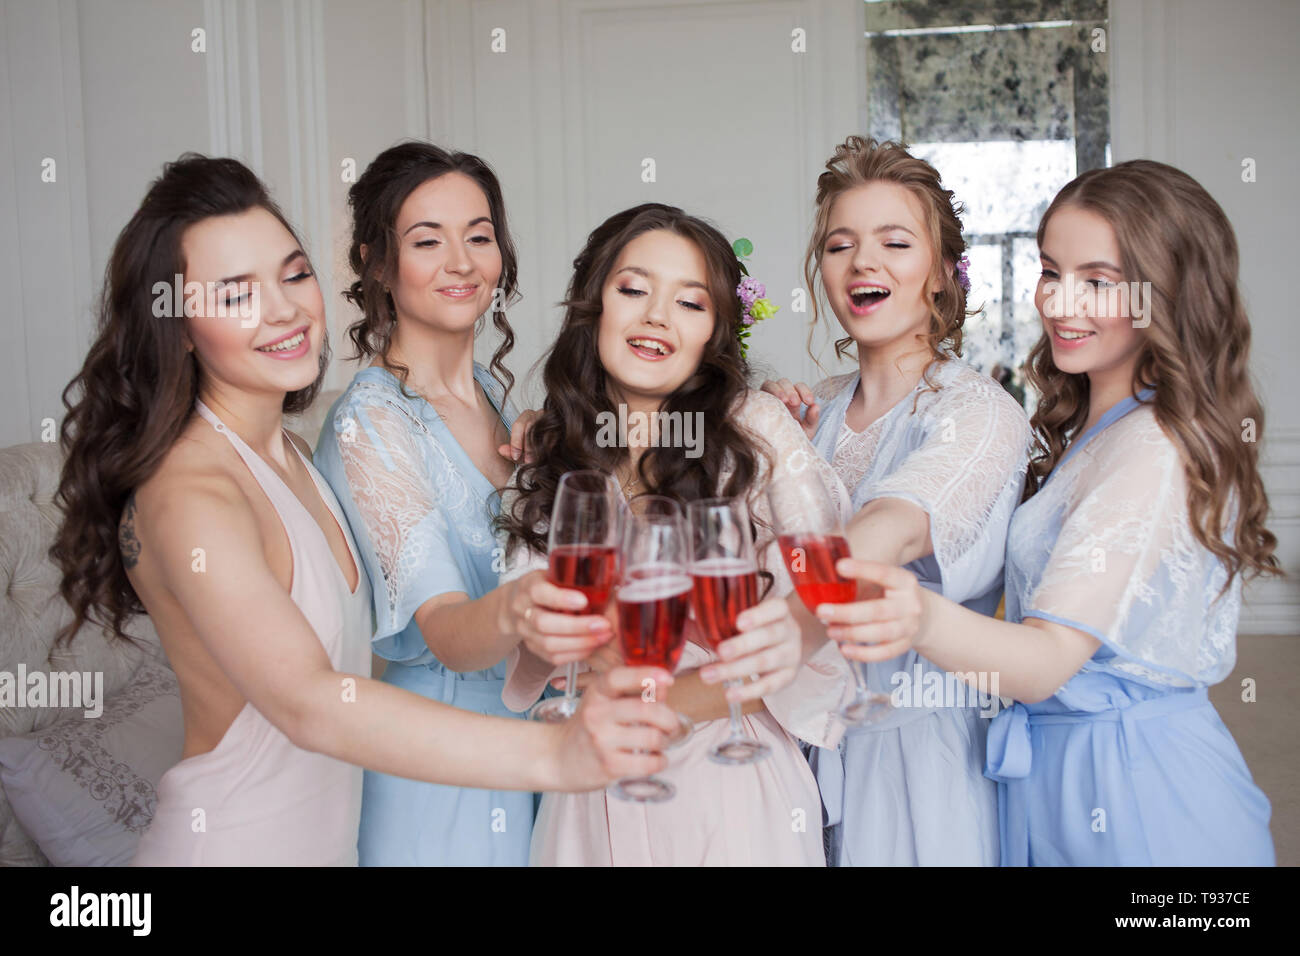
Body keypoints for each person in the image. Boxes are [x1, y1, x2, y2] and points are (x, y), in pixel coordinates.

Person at [50, 153, 680, 866]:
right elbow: (308, 701)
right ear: (176, 322)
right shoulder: (190, 492)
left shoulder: (285, 453)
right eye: (235, 295)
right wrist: (553, 752)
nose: (284, 309)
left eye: (293, 275)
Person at [824, 159, 1278, 866]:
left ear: (1166, 292)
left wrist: (916, 614)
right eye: (1051, 271)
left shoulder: (1152, 449)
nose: (1061, 303)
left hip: (1137, 793)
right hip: (1059, 771)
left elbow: (1045, 664)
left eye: (1098, 281)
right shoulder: (1099, 424)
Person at [497, 203, 856, 866]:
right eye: (633, 290)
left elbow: (826, 595)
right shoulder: (557, 446)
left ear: (714, 332)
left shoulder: (756, 428)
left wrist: (682, 691)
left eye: (689, 303)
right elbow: (533, 650)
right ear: (593, 304)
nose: (656, 316)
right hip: (590, 781)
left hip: (728, 775)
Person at [764, 137, 1030, 865]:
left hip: (921, 757)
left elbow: (893, 528)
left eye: (894, 241)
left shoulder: (979, 412)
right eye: (839, 244)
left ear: (942, 274)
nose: (863, 263)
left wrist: (760, 635)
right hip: (797, 747)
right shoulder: (803, 409)